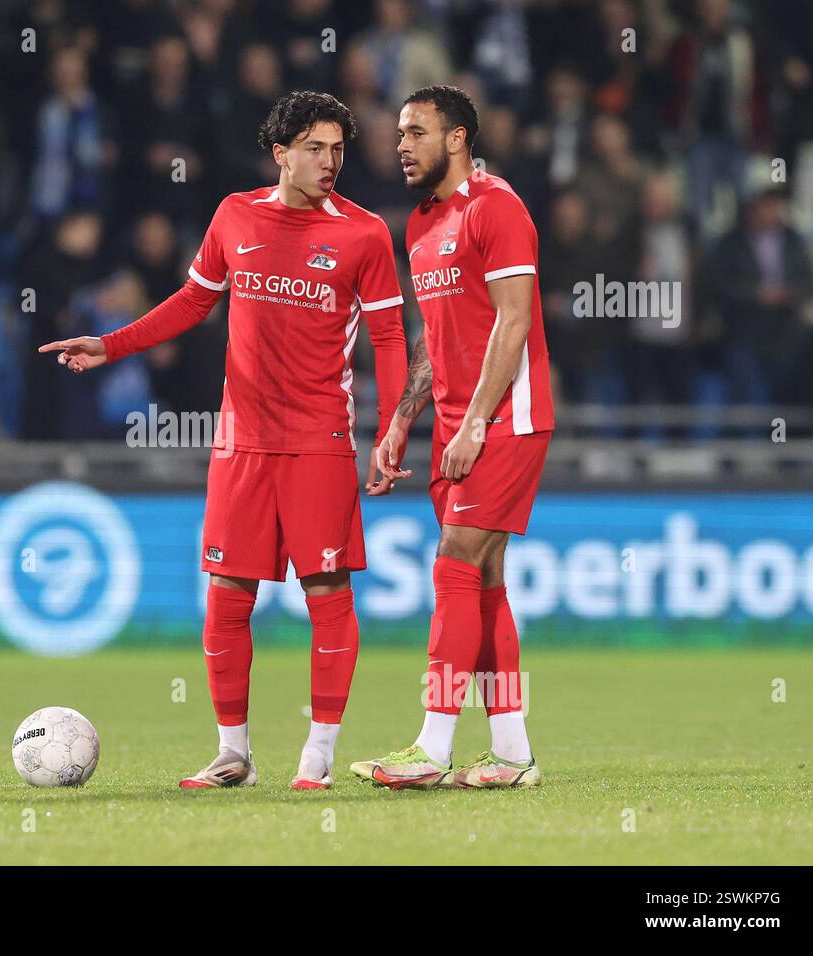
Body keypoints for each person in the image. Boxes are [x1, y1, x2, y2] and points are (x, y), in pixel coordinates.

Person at [40, 91, 407, 790]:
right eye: (314, 148)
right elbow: (193, 300)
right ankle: (232, 752)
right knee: (228, 596)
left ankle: (318, 756)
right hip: (241, 441)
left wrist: (392, 426)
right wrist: (111, 345)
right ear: (280, 153)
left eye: (338, 149)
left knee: (327, 593)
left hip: (319, 438)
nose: (329, 162)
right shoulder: (235, 216)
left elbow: (389, 335)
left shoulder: (363, 235)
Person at [351, 85, 554, 790]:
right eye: (398, 132)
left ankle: (431, 747)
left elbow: (515, 320)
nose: (400, 144)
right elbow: (437, 335)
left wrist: (473, 423)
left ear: (459, 137)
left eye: (415, 131)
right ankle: (512, 753)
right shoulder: (422, 223)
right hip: (453, 422)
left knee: (454, 562)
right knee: (486, 583)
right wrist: (405, 416)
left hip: (505, 417)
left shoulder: (496, 207)